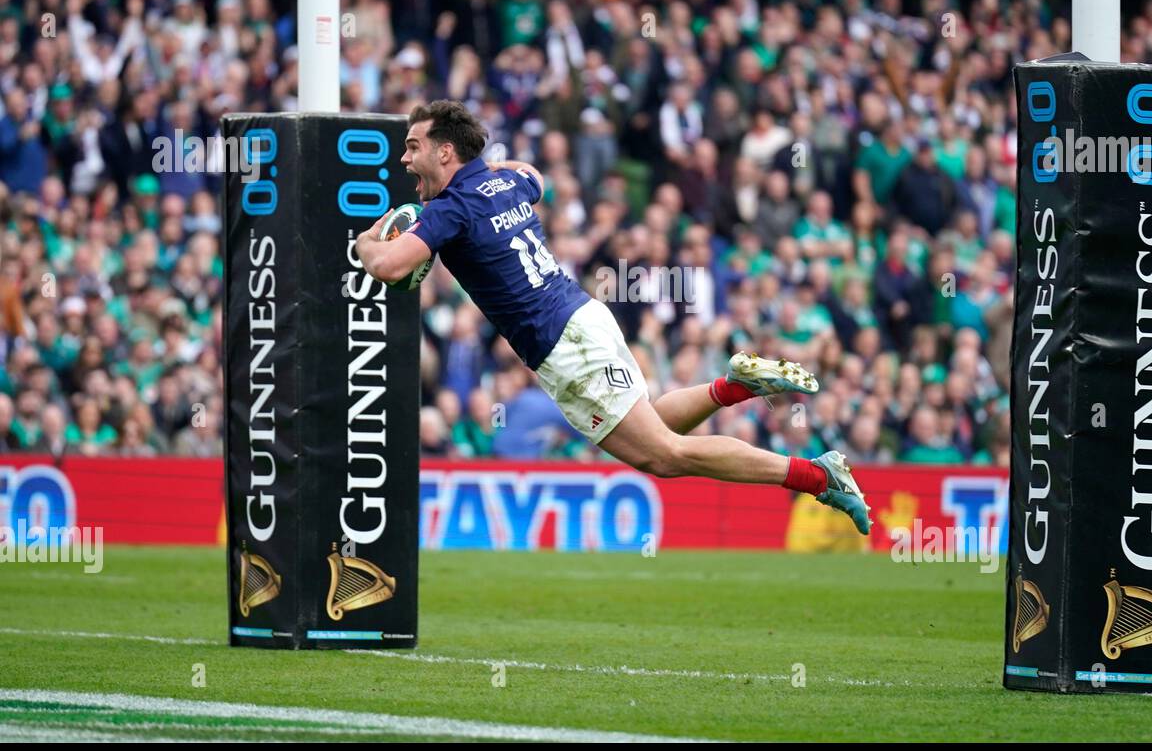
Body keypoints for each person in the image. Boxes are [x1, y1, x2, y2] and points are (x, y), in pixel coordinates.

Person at [356, 100, 871, 533]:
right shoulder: (504, 187)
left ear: (446, 151)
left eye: (414, 146)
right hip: (583, 318)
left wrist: (365, 239)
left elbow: (387, 265)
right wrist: (494, 170)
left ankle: (817, 476)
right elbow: (533, 177)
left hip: (564, 343)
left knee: (664, 456)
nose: (405, 159)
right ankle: (730, 388)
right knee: (648, 429)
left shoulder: (449, 210)